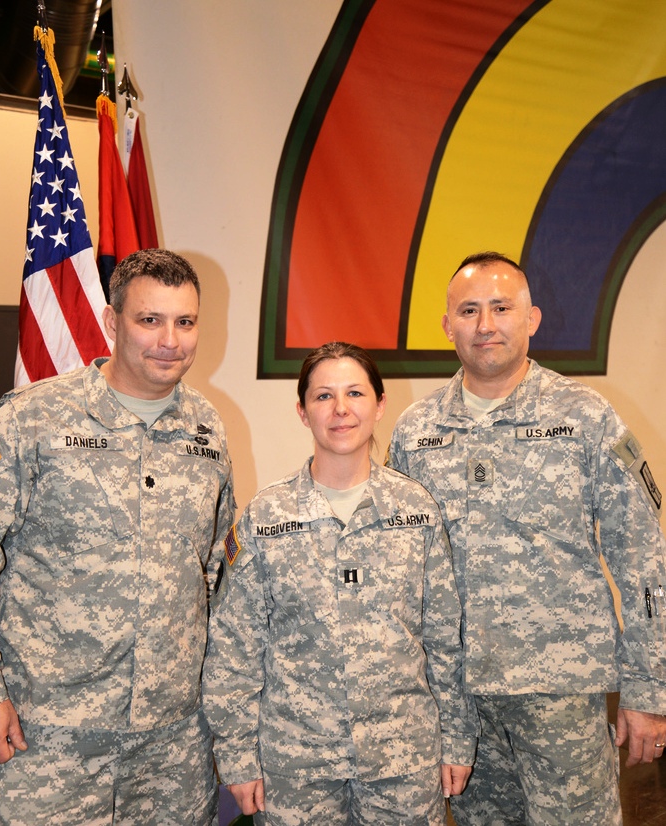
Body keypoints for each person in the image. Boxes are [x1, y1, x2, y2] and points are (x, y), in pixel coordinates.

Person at [387, 251, 666, 825]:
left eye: (501, 307)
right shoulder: (416, 433)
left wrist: (648, 690)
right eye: (469, 310)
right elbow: (400, 570)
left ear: (532, 318)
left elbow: (643, 559)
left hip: (562, 692)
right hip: (460, 700)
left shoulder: (586, 418)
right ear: (447, 325)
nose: (485, 324)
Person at [0, 249, 235, 825]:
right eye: (150, 320)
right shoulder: (32, 420)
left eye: (185, 322)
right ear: (110, 321)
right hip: (46, 737)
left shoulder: (206, 428)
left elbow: (217, 573)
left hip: (170, 743)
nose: (169, 340)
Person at [204, 342, 477, 826]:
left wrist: (456, 738)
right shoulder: (266, 518)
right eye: (323, 396)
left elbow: (444, 641)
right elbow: (234, 648)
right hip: (296, 765)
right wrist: (238, 755)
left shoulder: (416, 512)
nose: (341, 409)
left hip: (403, 762)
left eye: (355, 393)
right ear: (303, 413)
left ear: (380, 404)